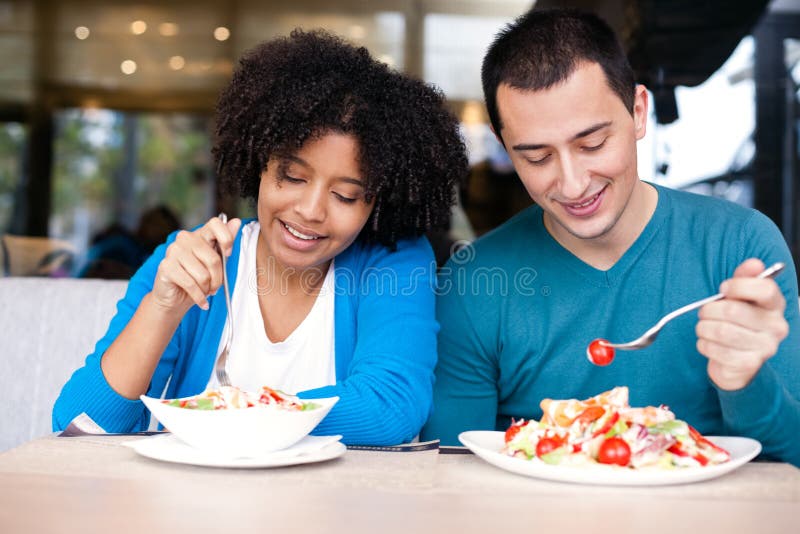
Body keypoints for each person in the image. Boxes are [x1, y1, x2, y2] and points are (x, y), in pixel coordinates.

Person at [420, 8, 800, 466]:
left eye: (593, 144)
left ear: (638, 113)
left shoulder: (739, 248)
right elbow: (448, 472)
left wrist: (745, 381)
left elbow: (789, 465)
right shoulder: (473, 280)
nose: (573, 184)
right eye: (537, 157)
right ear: (506, 150)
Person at [53, 30, 468, 446]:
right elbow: (80, 424)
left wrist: (237, 413)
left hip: (331, 508)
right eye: (292, 176)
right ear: (259, 164)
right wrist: (163, 308)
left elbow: (390, 406)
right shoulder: (194, 259)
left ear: (376, 203)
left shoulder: (393, 259)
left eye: (346, 195)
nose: (310, 210)